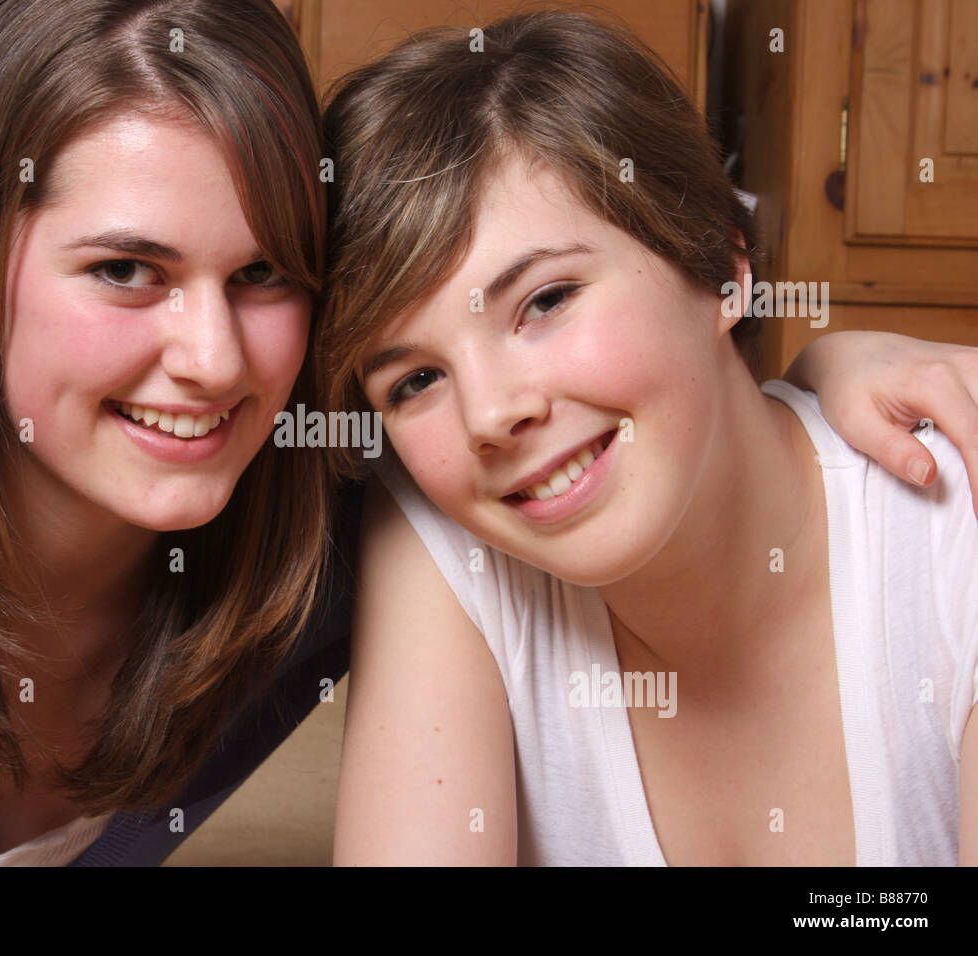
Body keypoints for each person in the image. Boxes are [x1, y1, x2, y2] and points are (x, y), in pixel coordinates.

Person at [0, 0, 972, 867]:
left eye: (261, 279)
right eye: (125, 268)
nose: (211, 358)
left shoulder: (311, 509)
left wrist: (815, 366)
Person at [319, 10, 978, 865]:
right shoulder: (448, 538)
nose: (488, 416)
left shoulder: (951, 532)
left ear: (720, 266)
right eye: (415, 380)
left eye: (546, 301)